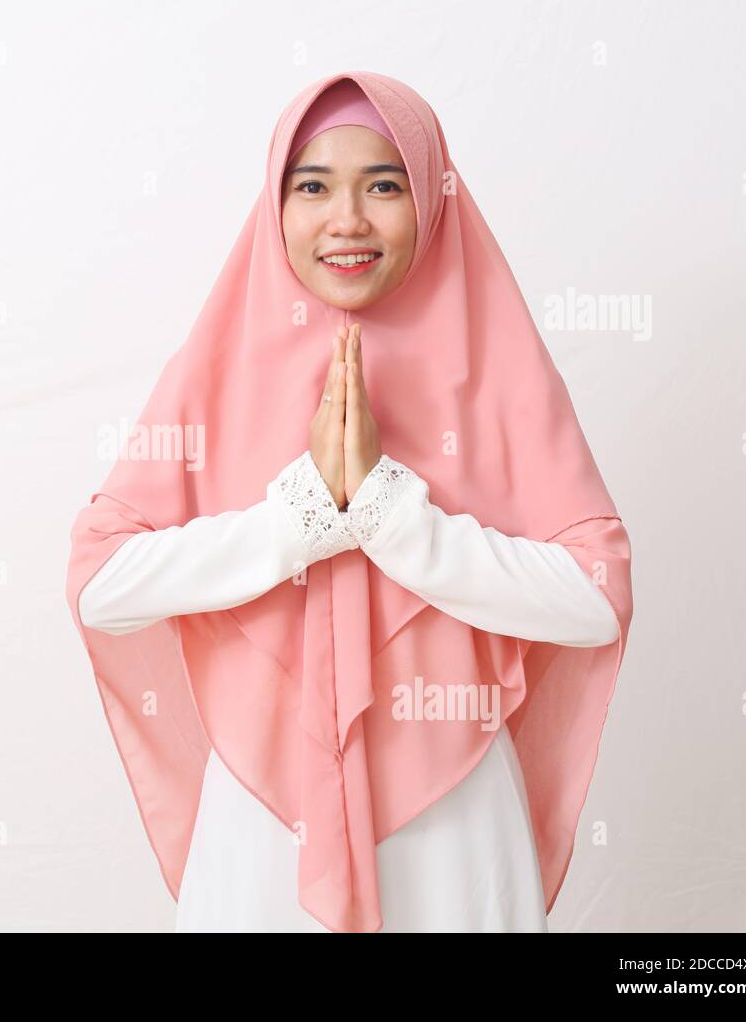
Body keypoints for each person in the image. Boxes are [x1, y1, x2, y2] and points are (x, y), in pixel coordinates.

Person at [64, 72, 634, 933]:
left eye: (384, 184)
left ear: (432, 196)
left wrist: (390, 516)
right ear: (276, 201)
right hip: (262, 821)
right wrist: (296, 521)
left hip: (453, 817)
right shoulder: (220, 367)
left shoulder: (496, 361)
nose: (348, 220)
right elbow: (100, 582)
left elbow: (597, 596)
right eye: (313, 186)